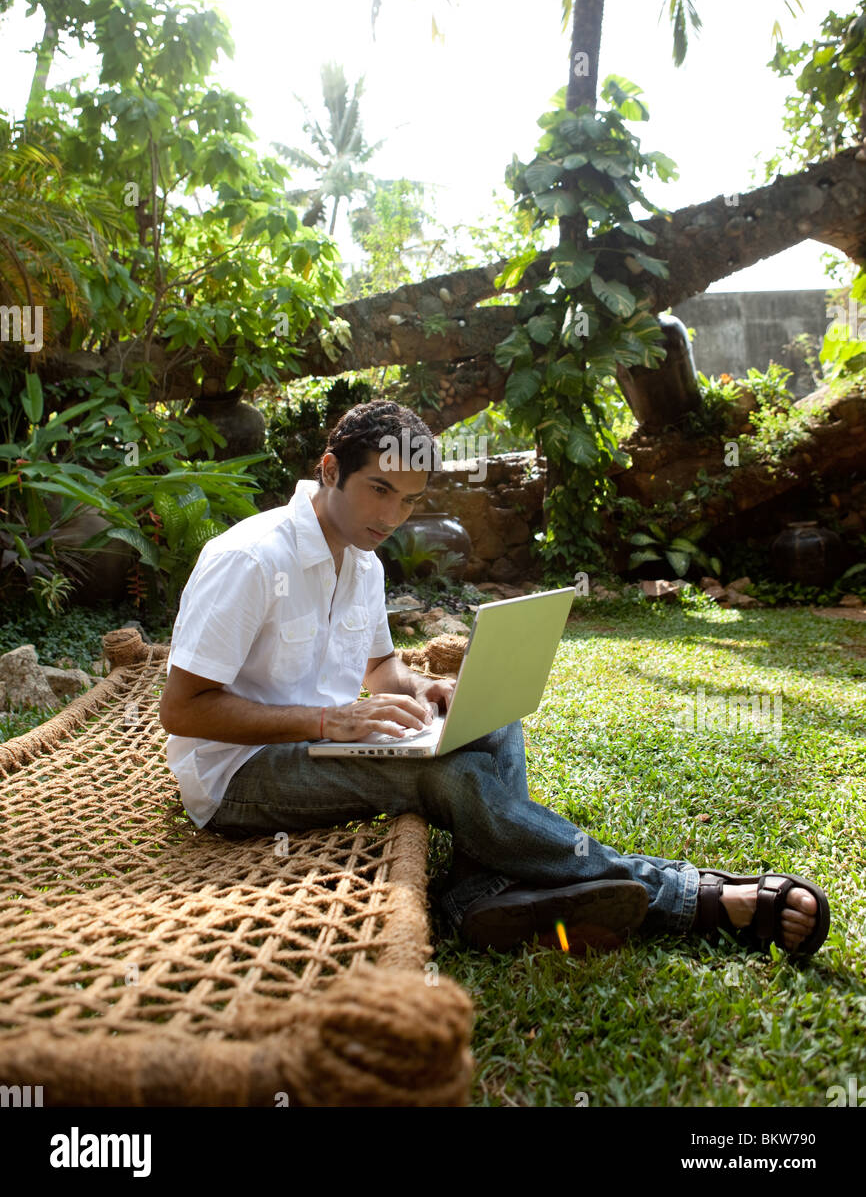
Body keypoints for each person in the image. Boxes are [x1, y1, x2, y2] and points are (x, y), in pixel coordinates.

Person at [160, 400, 829, 958]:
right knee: (447, 778)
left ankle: (479, 898)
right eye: (380, 491)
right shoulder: (250, 559)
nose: (392, 518)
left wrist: (420, 692)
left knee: (491, 718)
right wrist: (326, 721)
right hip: (240, 776)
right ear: (330, 470)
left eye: (410, 501)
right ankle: (700, 898)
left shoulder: (362, 562)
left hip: (323, 747)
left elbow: (379, 668)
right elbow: (183, 710)